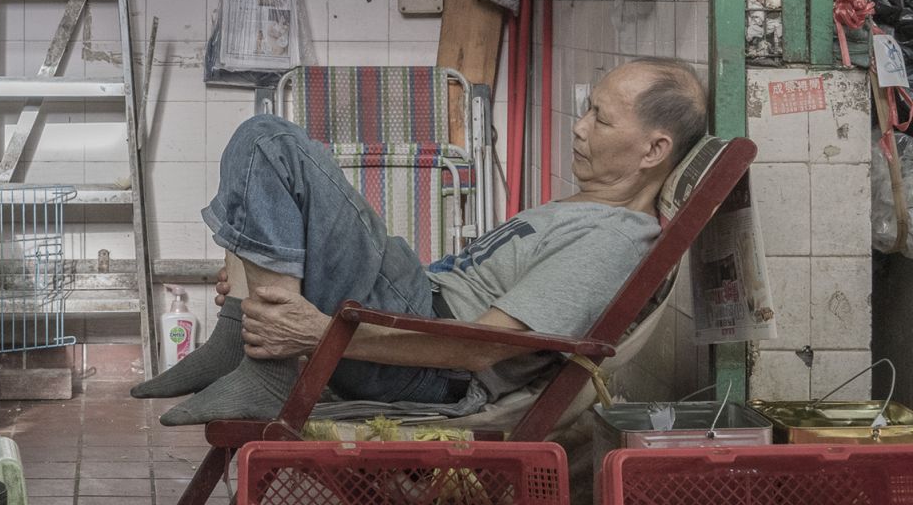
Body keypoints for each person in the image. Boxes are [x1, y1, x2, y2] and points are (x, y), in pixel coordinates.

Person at [133, 58, 708, 425]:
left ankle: (264, 368)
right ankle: (237, 336)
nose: (579, 127)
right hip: (413, 306)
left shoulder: (609, 240)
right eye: (586, 110)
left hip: (427, 364)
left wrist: (321, 334)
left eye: (600, 120)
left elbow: (484, 349)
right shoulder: (590, 207)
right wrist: (261, 276)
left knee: (269, 143)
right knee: (268, 186)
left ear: (654, 150)